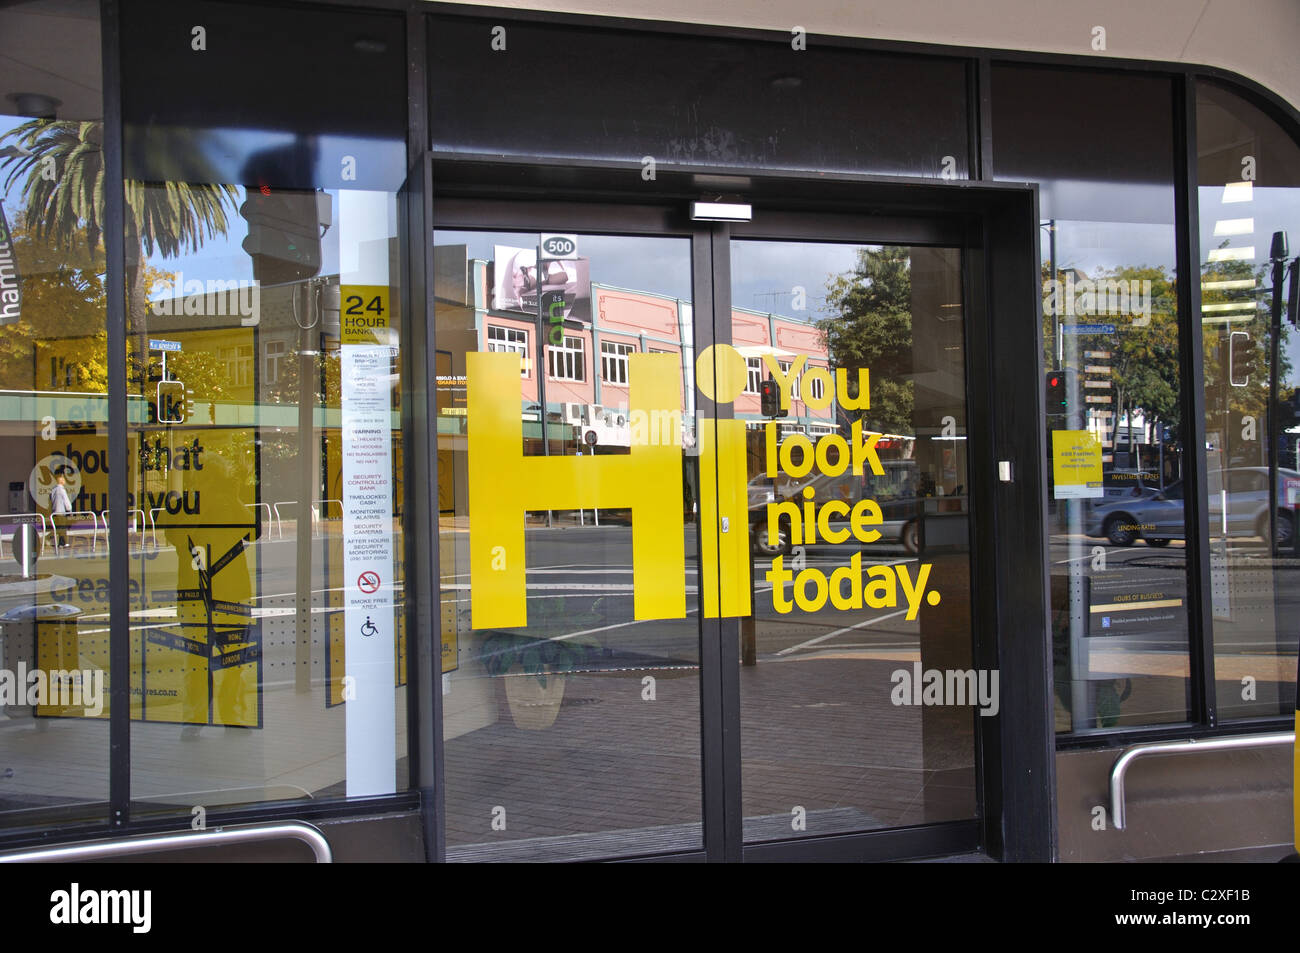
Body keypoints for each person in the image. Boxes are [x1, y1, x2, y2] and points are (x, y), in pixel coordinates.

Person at [48, 469, 72, 550]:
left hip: (54, 511)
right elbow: (66, 501)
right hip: (61, 511)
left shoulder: (53, 489)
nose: (65, 480)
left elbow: (51, 499)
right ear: (61, 480)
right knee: (62, 528)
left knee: (60, 528)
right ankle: (49, 538)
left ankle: (61, 543)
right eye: (63, 478)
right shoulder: (61, 490)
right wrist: (69, 509)